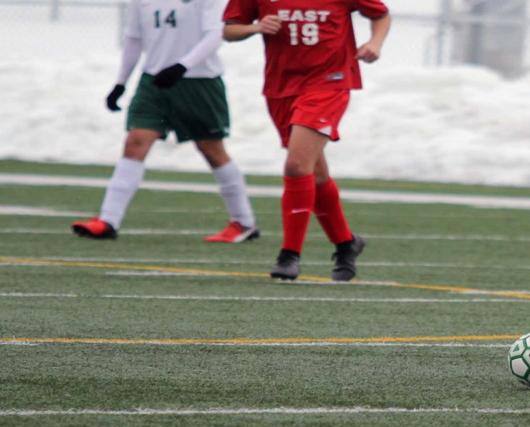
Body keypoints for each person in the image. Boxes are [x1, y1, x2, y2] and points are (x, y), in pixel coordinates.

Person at [222, 0, 390, 282]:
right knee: (315, 171)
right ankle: (346, 243)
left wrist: (375, 42)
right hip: (281, 87)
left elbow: (381, 14)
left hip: (329, 82)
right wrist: (256, 27)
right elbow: (229, 30)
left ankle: (289, 255)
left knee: (297, 165)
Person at [71, 0, 259, 244]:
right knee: (135, 142)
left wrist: (182, 66)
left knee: (212, 150)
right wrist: (121, 82)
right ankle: (108, 221)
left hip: (199, 82)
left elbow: (216, 35)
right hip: (154, 81)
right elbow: (133, 38)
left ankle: (243, 222)